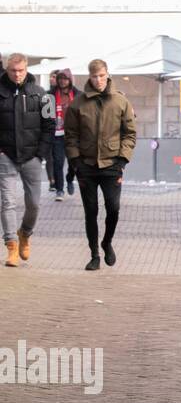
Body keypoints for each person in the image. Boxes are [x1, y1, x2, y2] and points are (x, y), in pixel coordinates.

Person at [64, 59, 137, 271]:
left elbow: (130, 133)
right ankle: (94, 253)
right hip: (86, 165)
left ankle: (107, 242)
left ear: (108, 74)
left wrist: (123, 159)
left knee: (113, 208)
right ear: (89, 76)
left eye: (102, 76)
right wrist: (75, 161)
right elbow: (71, 135)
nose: (99, 80)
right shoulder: (78, 104)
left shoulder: (121, 101)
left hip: (112, 163)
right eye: (95, 76)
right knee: (91, 211)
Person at [0, 53, 54, 267]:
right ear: (7, 70)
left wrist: (40, 153)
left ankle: (25, 233)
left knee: (34, 204)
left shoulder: (42, 95)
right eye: (13, 71)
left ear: (26, 69)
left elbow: (50, 126)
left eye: (21, 70)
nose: (17, 75)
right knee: (8, 202)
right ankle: (11, 246)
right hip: (6, 156)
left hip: (32, 156)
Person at [48, 69, 77, 201]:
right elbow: (45, 115)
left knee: (74, 163)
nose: (62, 81)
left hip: (73, 135)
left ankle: (69, 178)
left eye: (65, 78)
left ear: (70, 80)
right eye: (60, 78)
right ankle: (60, 190)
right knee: (58, 162)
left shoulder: (78, 95)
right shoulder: (50, 95)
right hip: (56, 134)